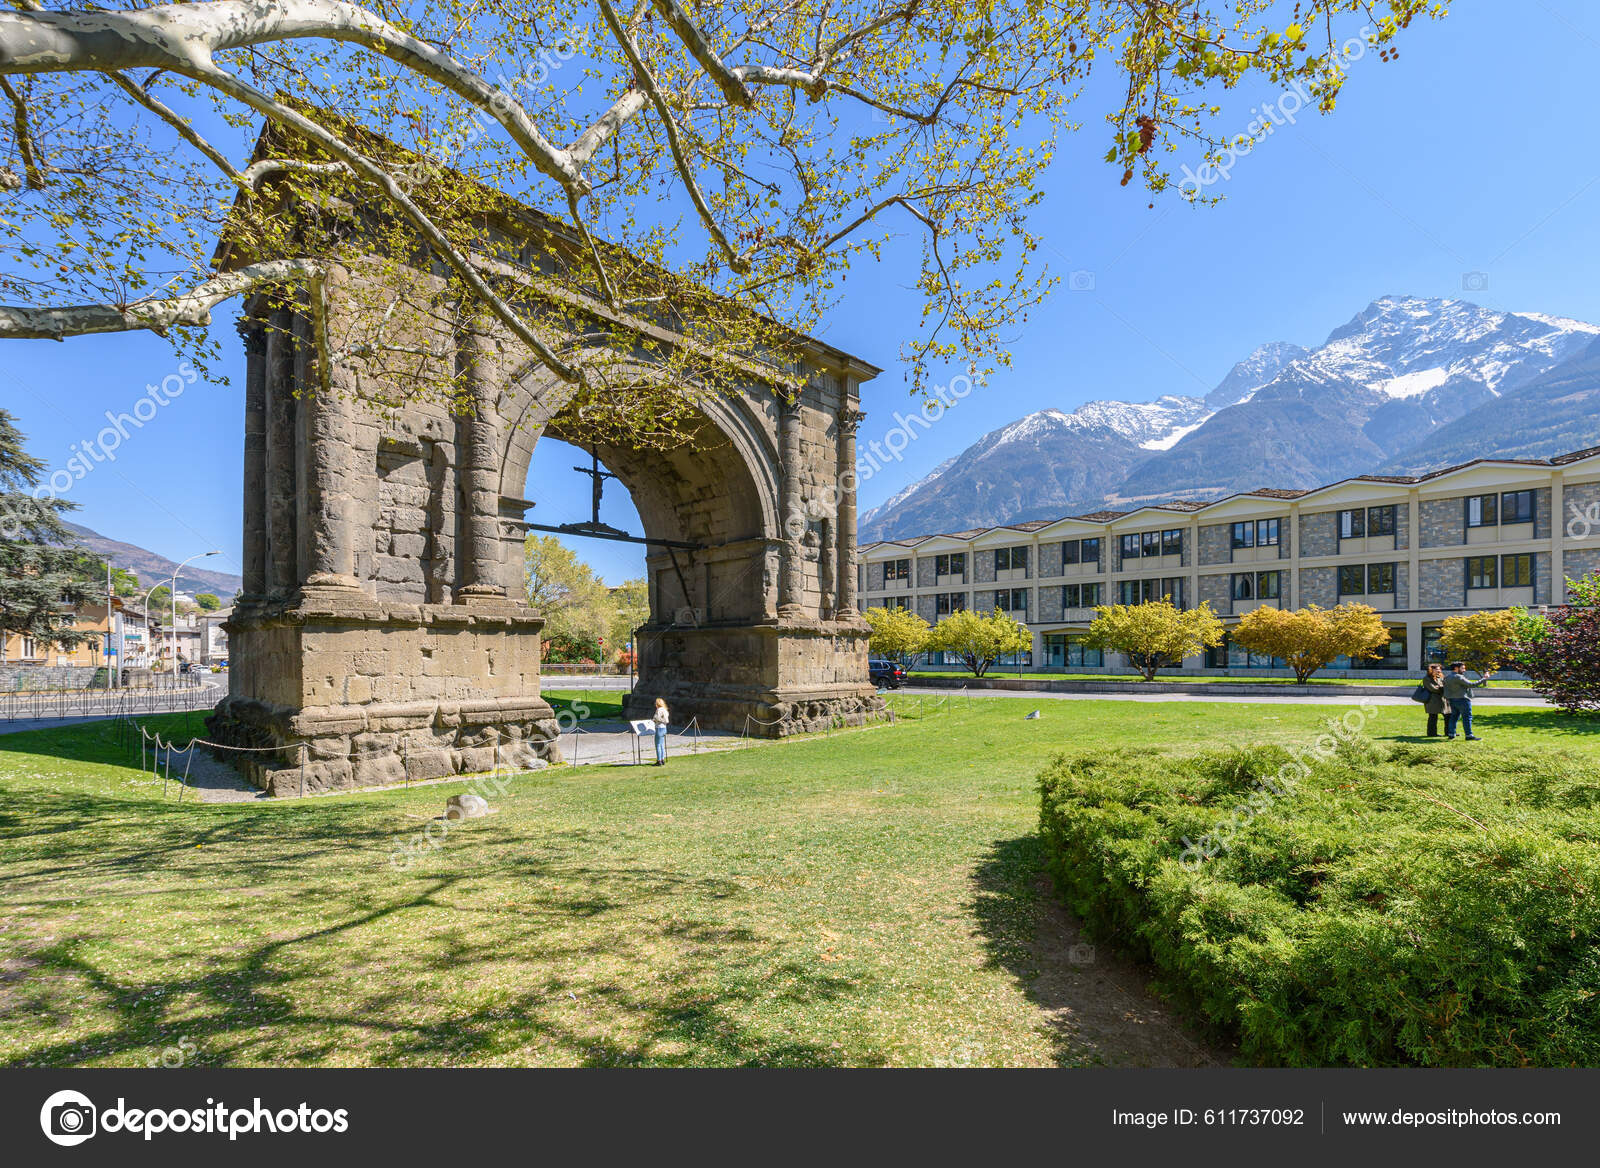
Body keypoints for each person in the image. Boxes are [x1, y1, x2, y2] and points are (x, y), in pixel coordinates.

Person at [1441, 661, 1491, 741]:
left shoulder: (1447, 677)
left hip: (1452, 700)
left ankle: (1451, 734)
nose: (1464, 670)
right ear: (1456, 668)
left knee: (1453, 717)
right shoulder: (1458, 677)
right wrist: (1484, 678)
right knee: (1467, 718)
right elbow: (1472, 685)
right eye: (1463, 668)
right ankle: (1469, 735)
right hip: (1463, 700)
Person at [1421, 662, 1450, 738]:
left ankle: (1449, 732)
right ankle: (1432, 733)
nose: (1439, 671)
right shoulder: (1427, 679)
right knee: (1433, 717)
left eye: (1439, 669)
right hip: (1432, 701)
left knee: (1448, 716)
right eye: (1437, 669)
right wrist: (1443, 687)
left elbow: (1444, 686)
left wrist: (1443, 687)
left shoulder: (1440, 677)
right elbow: (1433, 689)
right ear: (1431, 670)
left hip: (1443, 700)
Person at [652, 697, 670, 766]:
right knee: (662, 745)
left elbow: (655, 718)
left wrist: (653, 720)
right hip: (664, 728)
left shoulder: (659, 710)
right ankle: (662, 759)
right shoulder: (665, 710)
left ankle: (659, 760)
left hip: (659, 728)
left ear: (657, 704)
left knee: (658, 745)